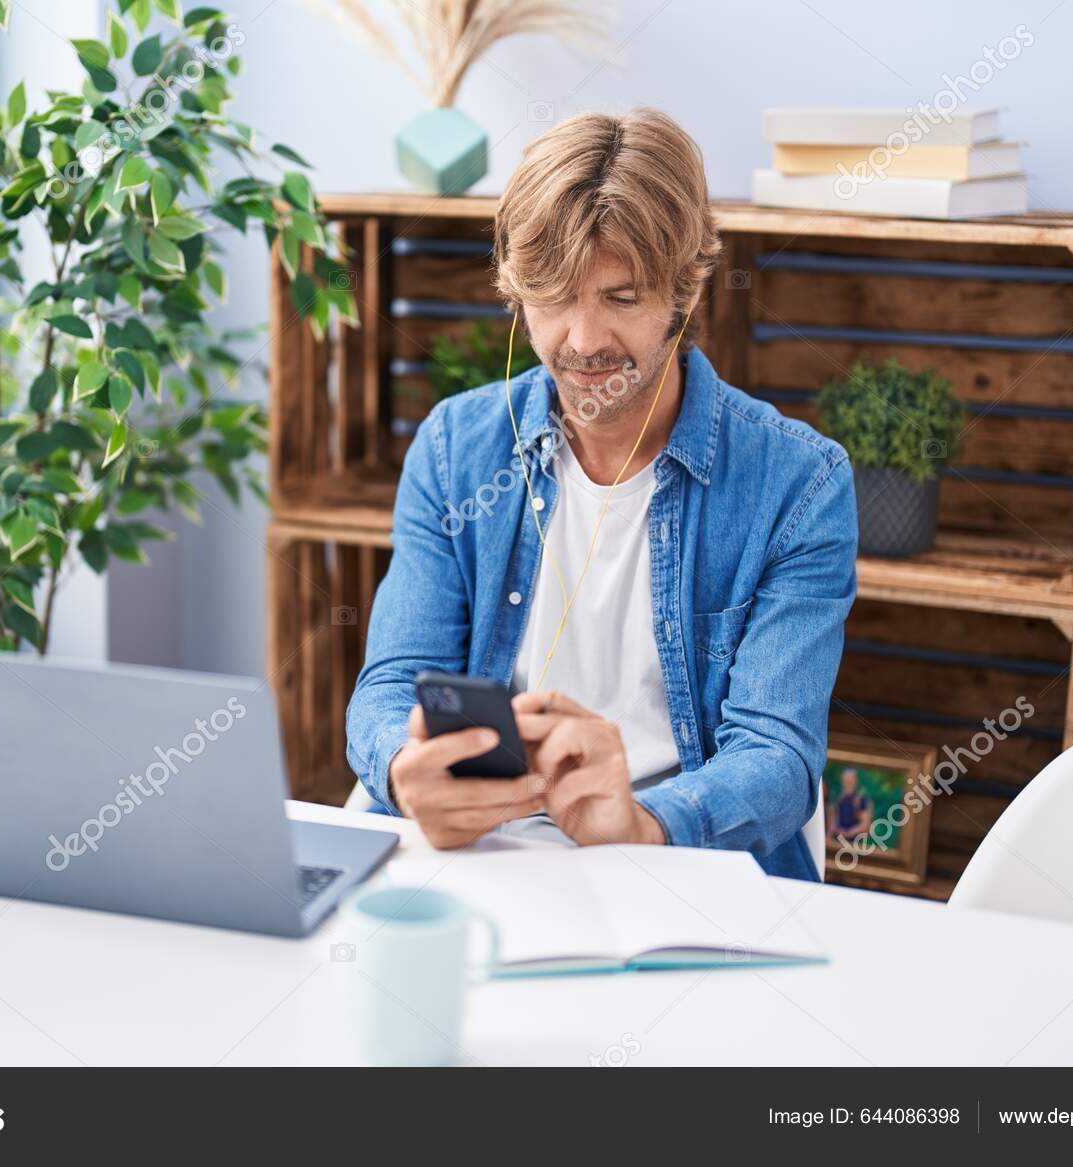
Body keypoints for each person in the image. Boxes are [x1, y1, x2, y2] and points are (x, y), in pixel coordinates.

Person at [345, 108, 857, 880]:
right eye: (553, 298)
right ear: (517, 292)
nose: (583, 341)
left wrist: (640, 823)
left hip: (682, 867)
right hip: (490, 860)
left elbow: (778, 759)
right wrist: (399, 769)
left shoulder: (799, 484)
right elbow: (387, 685)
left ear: (683, 294)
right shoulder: (456, 450)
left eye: (621, 299)